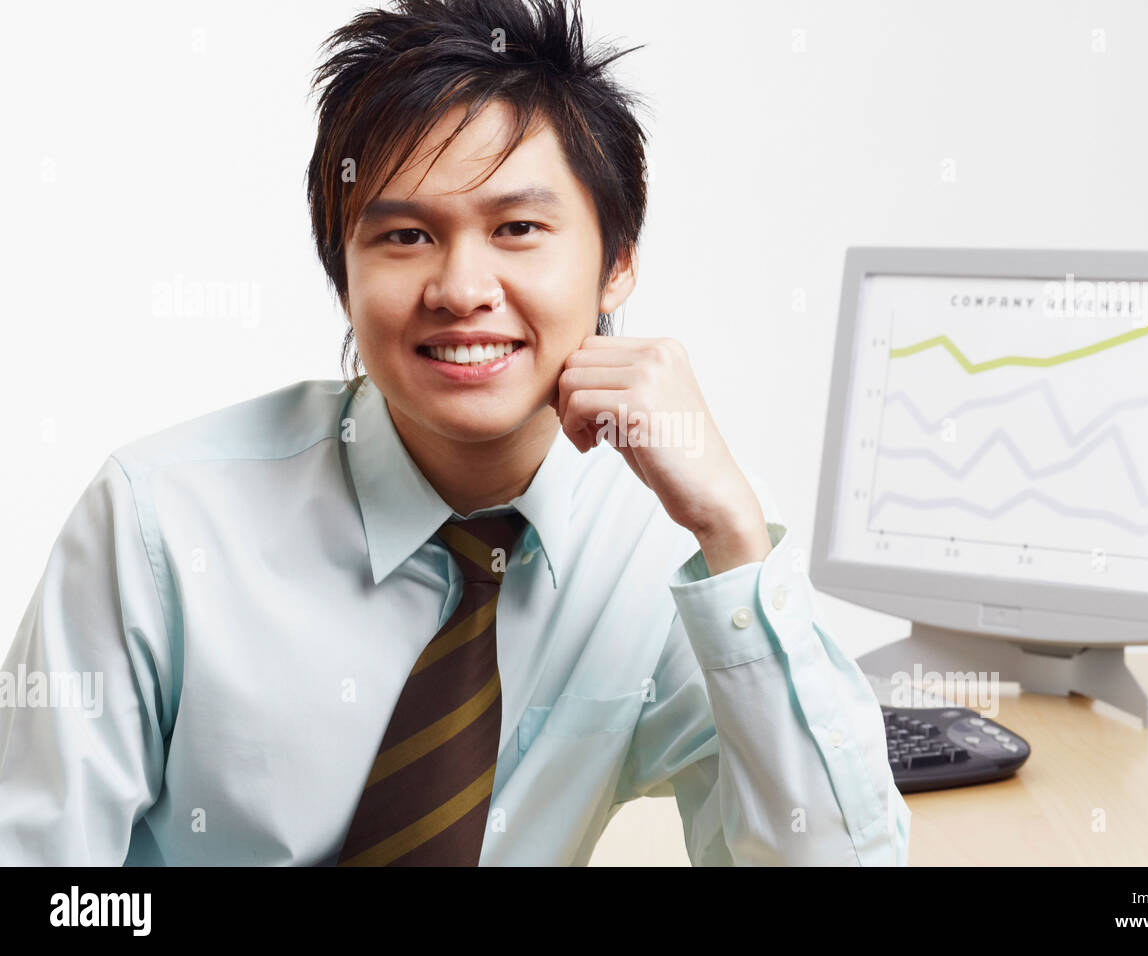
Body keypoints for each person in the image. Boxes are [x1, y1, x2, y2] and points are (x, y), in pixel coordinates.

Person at [0, 0, 910, 865]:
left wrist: (736, 541)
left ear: (618, 261)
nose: (461, 288)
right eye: (403, 237)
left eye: (517, 227)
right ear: (343, 272)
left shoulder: (663, 548)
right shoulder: (161, 524)